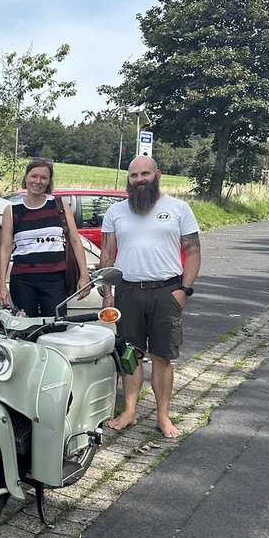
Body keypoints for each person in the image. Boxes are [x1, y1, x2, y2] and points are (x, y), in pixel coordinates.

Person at [100, 155, 201, 439]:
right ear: (128, 180)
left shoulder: (179, 208)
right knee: (130, 355)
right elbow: (107, 254)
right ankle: (130, 411)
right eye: (134, 176)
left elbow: (193, 251)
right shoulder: (116, 211)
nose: (139, 180)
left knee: (162, 356)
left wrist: (184, 290)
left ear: (157, 174)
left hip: (166, 291)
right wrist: (107, 293)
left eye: (145, 174)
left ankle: (163, 416)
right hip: (128, 292)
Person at [0, 157, 91, 316]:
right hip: (23, 280)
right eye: (34, 176)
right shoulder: (11, 210)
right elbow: (5, 249)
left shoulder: (59, 205)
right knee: (26, 329)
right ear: (26, 178)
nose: (38, 181)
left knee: (57, 327)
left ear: (49, 182)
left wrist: (84, 275)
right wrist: (1, 286)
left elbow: (75, 241)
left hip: (54, 279)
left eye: (44, 177)